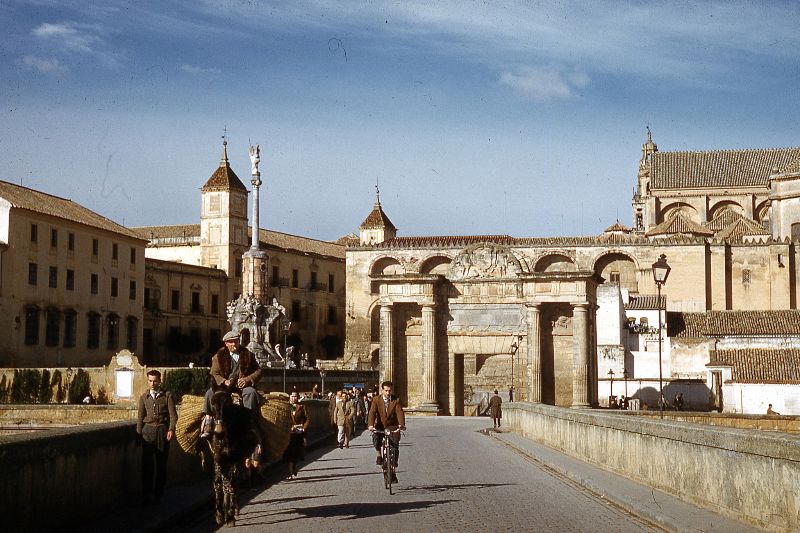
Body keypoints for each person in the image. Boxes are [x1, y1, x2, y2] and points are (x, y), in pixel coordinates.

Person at [200, 331, 262, 439]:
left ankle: (249, 422)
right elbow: (214, 373)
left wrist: (247, 380)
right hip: (224, 386)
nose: (234, 344)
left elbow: (258, 371)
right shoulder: (218, 356)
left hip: (241, 386)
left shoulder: (248, 354)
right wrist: (224, 381)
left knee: (251, 393)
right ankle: (209, 420)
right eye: (231, 342)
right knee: (210, 393)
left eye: (236, 341)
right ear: (226, 343)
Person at [136, 369, 177, 505]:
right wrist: (138, 434)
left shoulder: (167, 395)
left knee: (161, 466)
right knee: (147, 466)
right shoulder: (144, 397)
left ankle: (158, 495)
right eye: (150, 381)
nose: (152, 384)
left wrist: (171, 429)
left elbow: (173, 415)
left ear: (159, 381)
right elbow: (140, 418)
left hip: (162, 432)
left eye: (155, 381)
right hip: (148, 433)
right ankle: (146, 495)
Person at [368, 380, 406, 483]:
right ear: (382, 390)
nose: (388, 393)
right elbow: (372, 412)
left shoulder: (396, 400)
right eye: (386, 390)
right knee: (376, 438)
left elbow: (399, 412)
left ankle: (393, 468)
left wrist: (401, 425)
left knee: (395, 445)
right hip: (380, 425)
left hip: (392, 426)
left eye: (389, 391)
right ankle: (379, 455)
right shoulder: (376, 399)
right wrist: (371, 425)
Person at [283, 389, 310, 480]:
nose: (294, 398)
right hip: (289, 434)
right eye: (292, 396)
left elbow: (308, 419)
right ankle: (289, 472)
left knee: (297, 452)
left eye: (295, 396)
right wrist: (288, 427)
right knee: (289, 453)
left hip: (298, 433)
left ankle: (294, 467)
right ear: (289, 397)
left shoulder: (302, 407)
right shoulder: (286, 406)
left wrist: (304, 428)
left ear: (298, 397)